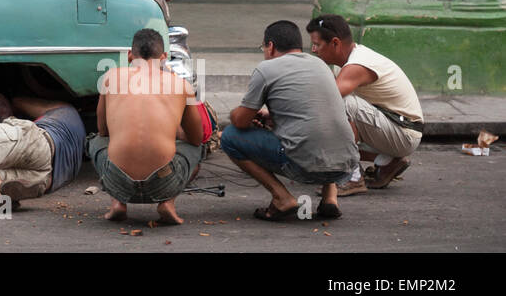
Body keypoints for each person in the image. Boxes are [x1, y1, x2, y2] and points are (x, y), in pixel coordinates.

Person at [221, 20, 359, 221]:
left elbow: (240, 122)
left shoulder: (266, 69)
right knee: (322, 124)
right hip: (346, 167)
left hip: (305, 167)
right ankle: (330, 198)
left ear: (271, 46)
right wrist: (273, 117)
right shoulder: (320, 64)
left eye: (263, 47)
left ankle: (282, 198)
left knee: (230, 137)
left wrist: (237, 113)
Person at [88, 28, 206, 225]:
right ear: (164, 58)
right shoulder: (181, 85)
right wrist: (173, 130)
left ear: (129, 55)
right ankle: (168, 202)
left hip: (118, 180)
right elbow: (196, 138)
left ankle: (117, 202)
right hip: (164, 182)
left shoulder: (110, 77)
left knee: (95, 141)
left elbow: (103, 131)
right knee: (197, 148)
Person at [307, 14, 422, 195]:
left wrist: (279, 112)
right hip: (392, 127)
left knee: (342, 103)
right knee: (321, 138)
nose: (313, 50)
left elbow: (326, 100)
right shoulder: (344, 63)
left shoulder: (357, 65)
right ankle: (387, 161)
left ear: (335, 43)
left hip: (404, 132)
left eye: (317, 44)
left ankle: (352, 178)